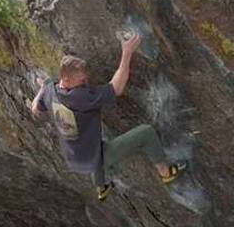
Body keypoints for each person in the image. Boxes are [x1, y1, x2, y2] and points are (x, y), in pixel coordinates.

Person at [30, 33, 186, 200]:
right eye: (81, 81)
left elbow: (34, 109)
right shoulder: (81, 97)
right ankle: (166, 173)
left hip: (74, 157)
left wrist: (42, 89)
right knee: (146, 133)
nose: (85, 83)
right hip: (95, 155)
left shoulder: (50, 91)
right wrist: (126, 54)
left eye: (84, 79)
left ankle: (101, 187)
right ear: (66, 79)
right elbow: (116, 88)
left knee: (95, 148)